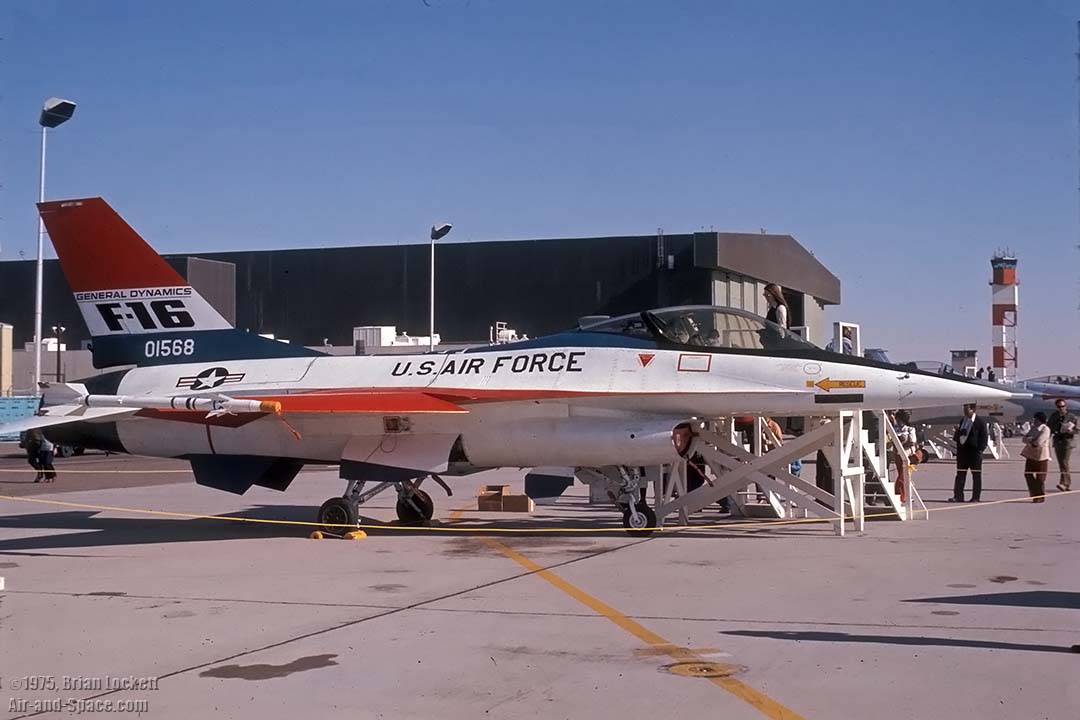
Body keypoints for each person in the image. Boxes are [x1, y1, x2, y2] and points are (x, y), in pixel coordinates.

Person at [950, 403, 988, 502]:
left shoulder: (980, 422)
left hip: (974, 453)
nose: (965, 411)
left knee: (976, 476)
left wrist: (979, 450)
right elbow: (959, 436)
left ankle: (975, 497)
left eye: (967, 409)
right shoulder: (963, 420)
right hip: (963, 452)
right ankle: (958, 496)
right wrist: (958, 432)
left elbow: (984, 437)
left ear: (973, 409)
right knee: (960, 475)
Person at [1021, 412, 1051, 502]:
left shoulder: (1045, 429)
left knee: (1040, 478)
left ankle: (1040, 496)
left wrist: (1030, 440)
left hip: (1041, 456)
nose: (1034, 421)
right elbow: (1024, 439)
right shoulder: (1033, 428)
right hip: (1030, 455)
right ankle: (1034, 493)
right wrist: (1030, 440)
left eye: (1036, 419)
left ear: (1040, 420)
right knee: (1028, 475)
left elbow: (1039, 442)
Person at [1047, 400, 1076, 491]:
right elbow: (1049, 428)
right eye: (1059, 407)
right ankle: (1065, 483)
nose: (1061, 408)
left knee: (1064, 462)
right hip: (1058, 440)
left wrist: (1071, 431)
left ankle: (1065, 483)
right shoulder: (1054, 416)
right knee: (1061, 463)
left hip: (1067, 441)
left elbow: (1078, 429)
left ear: (1066, 406)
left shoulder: (1071, 417)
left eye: (1063, 406)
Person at [891, 410, 917, 502]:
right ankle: (901, 494)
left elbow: (912, 442)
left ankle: (903, 494)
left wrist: (902, 439)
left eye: (900, 420)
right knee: (901, 475)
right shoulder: (894, 429)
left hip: (908, 454)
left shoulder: (910, 429)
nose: (898, 422)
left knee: (905, 475)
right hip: (898, 454)